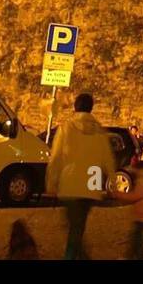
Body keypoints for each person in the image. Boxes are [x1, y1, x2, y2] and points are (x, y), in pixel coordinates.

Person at [45, 92, 113, 260]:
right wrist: (112, 184)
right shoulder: (99, 130)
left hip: (70, 181)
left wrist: (51, 183)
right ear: (91, 107)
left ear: (75, 107)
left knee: (75, 227)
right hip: (92, 182)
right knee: (78, 226)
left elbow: (56, 157)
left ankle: (70, 257)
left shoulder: (66, 127)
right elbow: (108, 159)